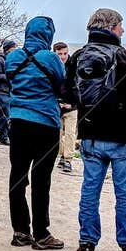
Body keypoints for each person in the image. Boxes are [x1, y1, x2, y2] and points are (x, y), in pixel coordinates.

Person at [68, 8, 126, 251]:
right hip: (122, 135)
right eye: (121, 26)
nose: (123, 30)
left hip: (91, 133)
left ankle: (86, 242)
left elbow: (68, 93)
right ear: (112, 27)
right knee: (124, 193)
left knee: (89, 190)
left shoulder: (79, 56)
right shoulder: (123, 56)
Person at [3, 17, 68, 250]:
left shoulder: (13, 57)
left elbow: (11, 80)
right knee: (42, 179)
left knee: (18, 176)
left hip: (19, 121)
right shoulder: (51, 58)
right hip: (46, 123)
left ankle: (20, 231)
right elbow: (62, 83)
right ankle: (41, 233)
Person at [54, 41, 77, 173]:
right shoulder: (52, 66)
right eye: (60, 54)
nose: (63, 56)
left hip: (72, 106)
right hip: (57, 106)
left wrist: (73, 103)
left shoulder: (74, 66)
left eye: (65, 53)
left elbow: (79, 86)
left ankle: (68, 159)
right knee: (57, 134)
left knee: (70, 134)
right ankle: (62, 155)